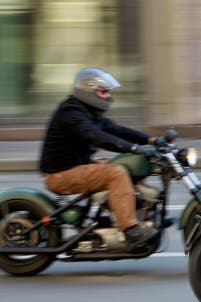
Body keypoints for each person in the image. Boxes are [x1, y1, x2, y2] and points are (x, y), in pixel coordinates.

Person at [39, 67, 162, 249]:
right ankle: (130, 230)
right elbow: (97, 136)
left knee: (123, 166)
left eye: (107, 92)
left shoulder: (88, 112)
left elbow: (116, 130)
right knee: (116, 174)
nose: (107, 97)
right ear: (88, 91)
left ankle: (140, 214)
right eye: (103, 92)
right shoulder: (71, 113)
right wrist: (135, 148)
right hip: (60, 173)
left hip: (76, 166)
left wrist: (152, 140)